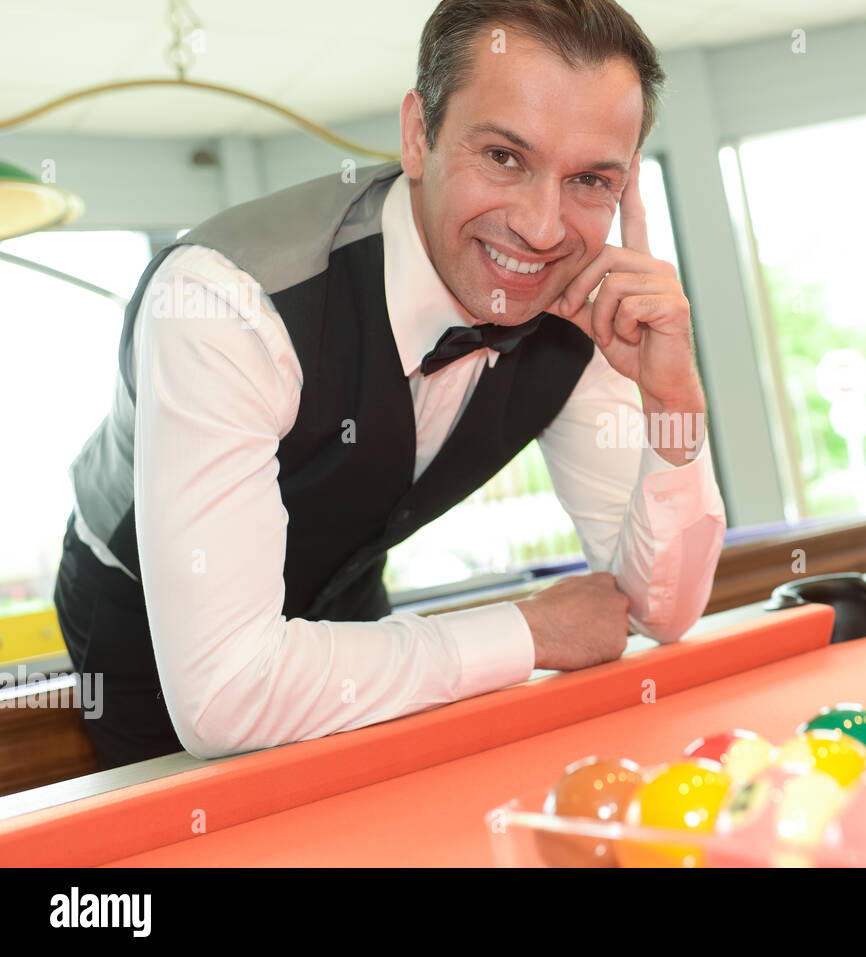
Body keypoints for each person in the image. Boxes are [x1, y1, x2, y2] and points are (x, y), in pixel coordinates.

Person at [53, 0, 726, 770]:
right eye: (505, 157)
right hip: (143, 627)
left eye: (589, 180)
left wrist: (674, 405)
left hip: (343, 602)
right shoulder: (224, 300)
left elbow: (660, 612)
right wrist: (529, 631)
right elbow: (223, 695)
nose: (544, 229)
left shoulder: (586, 307)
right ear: (417, 134)